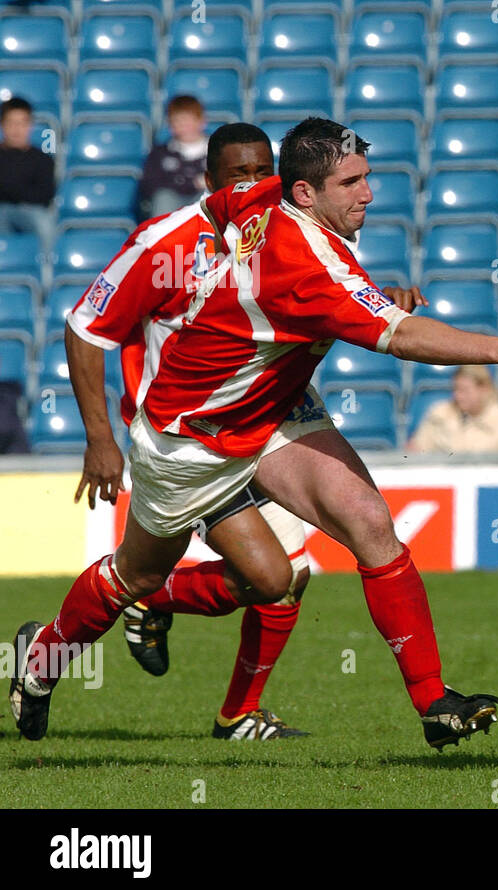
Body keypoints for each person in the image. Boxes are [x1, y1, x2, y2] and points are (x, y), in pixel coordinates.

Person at [10, 117, 498, 750]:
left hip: (274, 407)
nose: (369, 194)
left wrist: (371, 298)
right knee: (138, 576)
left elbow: (259, 236)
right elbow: (398, 336)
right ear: (304, 192)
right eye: (352, 181)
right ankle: (41, 663)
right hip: (193, 440)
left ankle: (434, 701)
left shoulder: (258, 198)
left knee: (363, 525)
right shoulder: (283, 259)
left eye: (368, 178)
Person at [66, 122, 357, 739]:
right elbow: (87, 325)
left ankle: (233, 708)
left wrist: (389, 303)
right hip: (183, 436)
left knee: (286, 577)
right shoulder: (166, 243)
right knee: (267, 576)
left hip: (258, 427)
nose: (252, 185)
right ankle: (73, 641)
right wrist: (100, 439)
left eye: (262, 173)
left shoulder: (282, 232)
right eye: (237, 175)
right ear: (210, 181)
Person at [407, 364, 498, 454]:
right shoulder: (439, 413)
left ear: (484, 389)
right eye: (455, 389)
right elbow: (415, 450)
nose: (457, 396)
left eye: (464, 390)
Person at [137, 96, 208, 221]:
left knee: (210, 197)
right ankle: (163, 239)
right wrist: (192, 183)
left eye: (187, 121)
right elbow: (149, 185)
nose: (183, 126)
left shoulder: (218, 151)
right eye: (177, 122)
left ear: (201, 121)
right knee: (164, 198)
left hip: (203, 206)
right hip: (171, 207)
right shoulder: (160, 153)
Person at [0, 96, 56, 253]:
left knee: (45, 223)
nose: (16, 129)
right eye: (11, 123)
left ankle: (48, 269)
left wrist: (9, 189)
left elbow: (45, 194)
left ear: (30, 125)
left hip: (31, 211)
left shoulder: (42, 159)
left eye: (22, 123)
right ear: (3, 125)